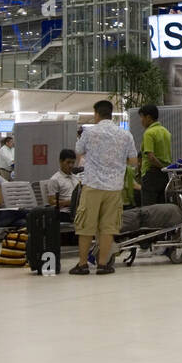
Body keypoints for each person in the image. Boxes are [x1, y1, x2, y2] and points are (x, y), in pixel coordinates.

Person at [70, 100, 138, 275]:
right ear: (110, 114)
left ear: (97, 114)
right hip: (114, 187)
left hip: (92, 184)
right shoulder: (125, 135)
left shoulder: (89, 133)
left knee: (86, 225)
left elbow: (78, 151)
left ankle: (83, 264)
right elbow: (133, 162)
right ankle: (102, 264)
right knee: (108, 227)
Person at [136, 105, 171, 205]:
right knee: (161, 207)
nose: (141, 120)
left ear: (148, 117)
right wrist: (164, 169)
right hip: (164, 176)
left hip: (150, 175)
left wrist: (161, 167)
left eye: (142, 117)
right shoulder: (166, 132)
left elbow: (151, 157)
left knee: (149, 209)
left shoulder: (149, 133)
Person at [47, 149, 82, 223]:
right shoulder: (55, 180)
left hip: (77, 211)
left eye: (73, 162)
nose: (71, 165)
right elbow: (51, 202)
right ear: (61, 162)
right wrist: (69, 202)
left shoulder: (76, 178)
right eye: (68, 162)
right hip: (64, 213)